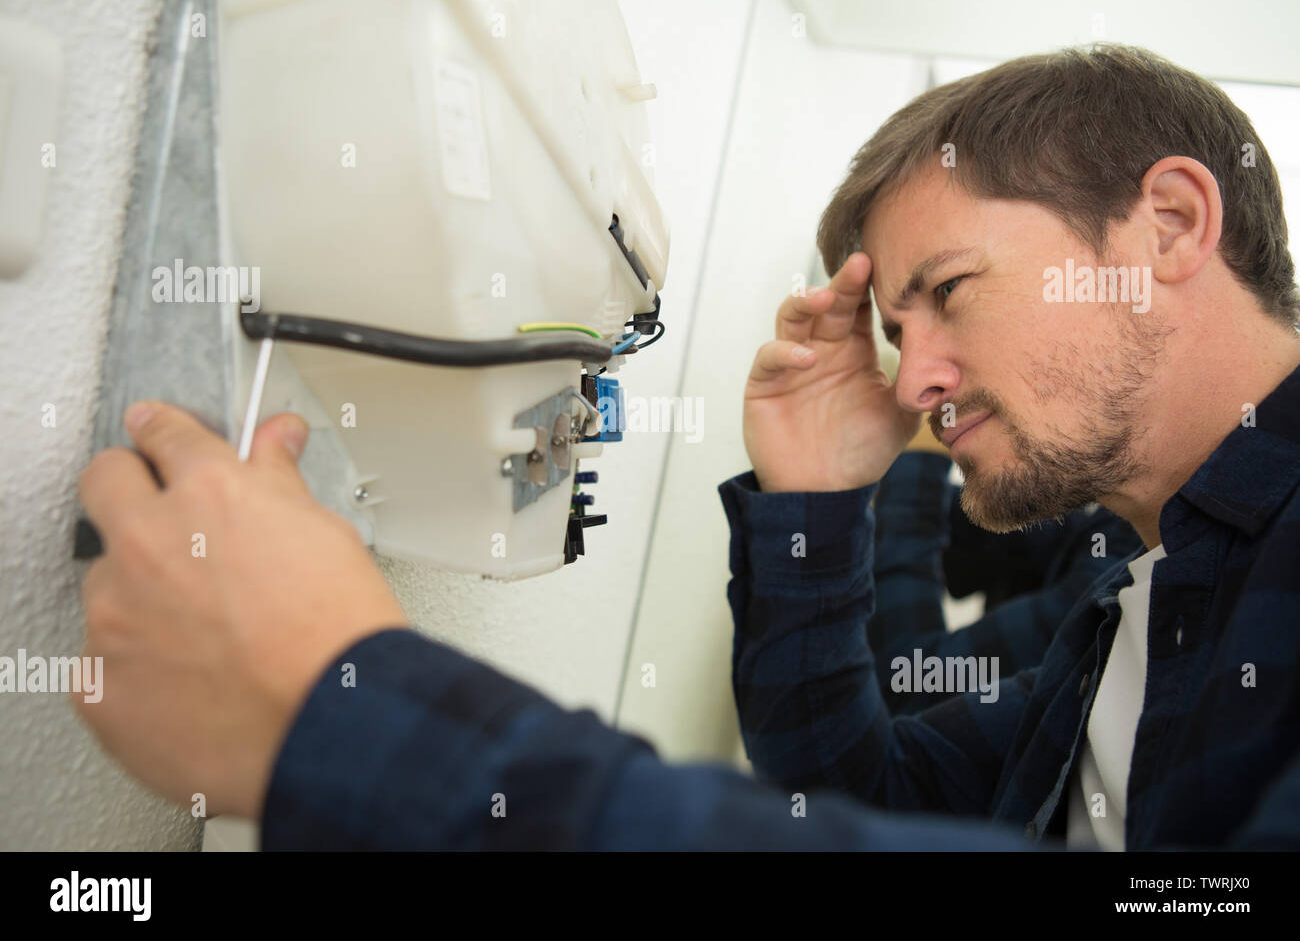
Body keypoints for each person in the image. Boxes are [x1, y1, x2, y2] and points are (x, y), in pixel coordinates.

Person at [75, 44, 1300, 849]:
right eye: (894, 325)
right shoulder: (1125, 597)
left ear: (1171, 223)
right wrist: (813, 504)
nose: (915, 379)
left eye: (951, 288)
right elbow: (843, 780)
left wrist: (349, 715)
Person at [872, 434, 1142, 716]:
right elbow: (1032, 539)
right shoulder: (1114, 522)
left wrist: (920, 452)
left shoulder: (1125, 567)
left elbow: (912, 677)